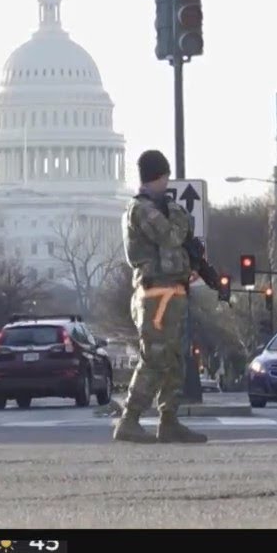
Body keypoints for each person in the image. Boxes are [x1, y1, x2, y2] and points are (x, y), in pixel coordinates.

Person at [112, 149, 206, 444]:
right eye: (165, 177)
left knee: (174, 360)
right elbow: (171, 236)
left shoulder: (162, 207)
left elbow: (181, 241)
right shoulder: (141, 209)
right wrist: (178, 216)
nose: (167, 184)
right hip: (155, 294)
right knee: (154, 357)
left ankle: (169, 420)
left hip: (172, 291)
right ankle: (129, 419)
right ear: (159, 175)